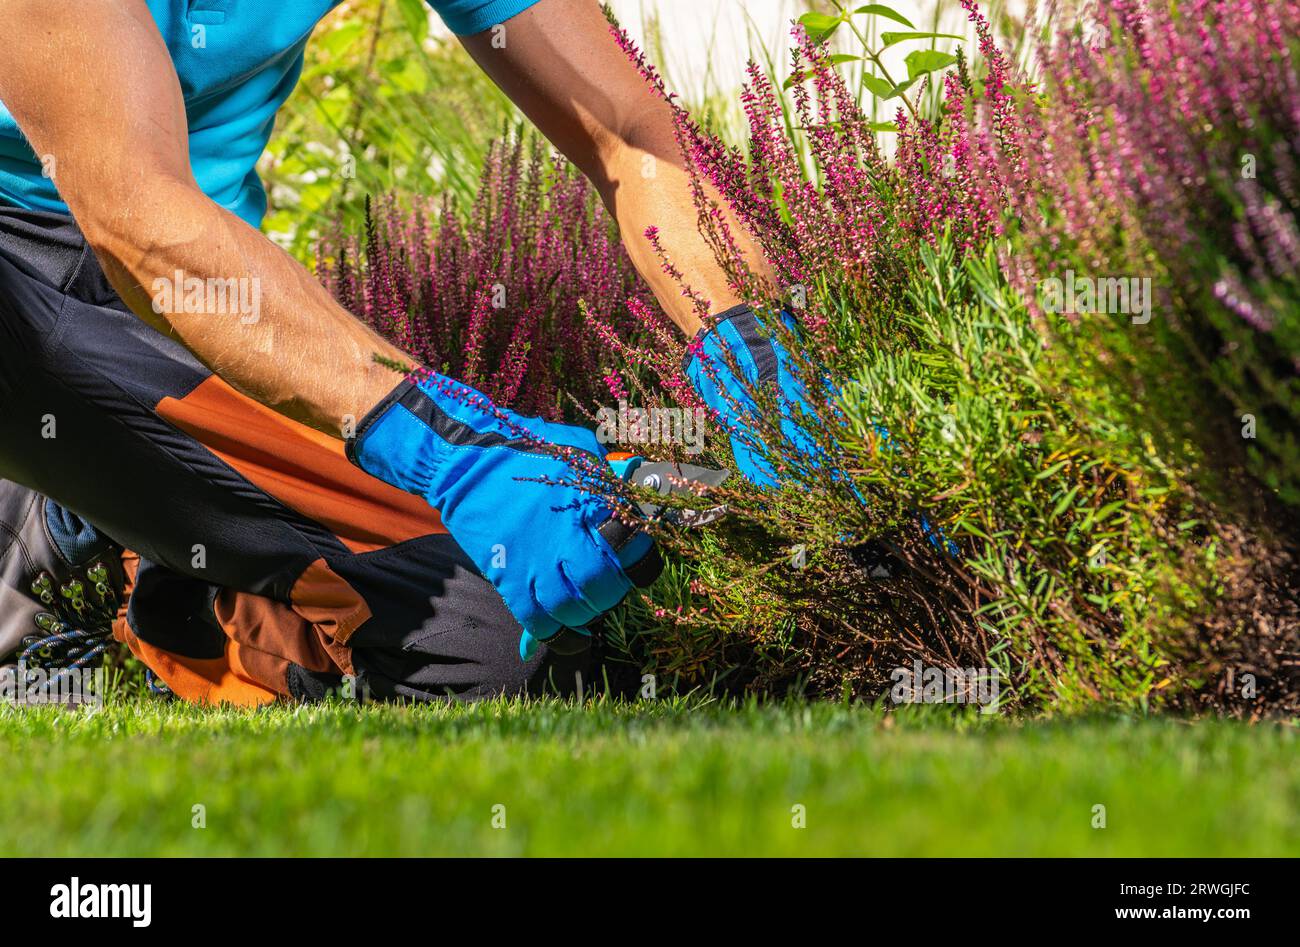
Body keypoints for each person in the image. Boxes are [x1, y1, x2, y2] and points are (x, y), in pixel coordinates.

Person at [0, 0, 803, 704]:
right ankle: (59, 508)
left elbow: (629, 130)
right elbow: (135, 214)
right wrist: (455, 447)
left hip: (211, 289)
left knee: (501, 640)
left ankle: (158, 586)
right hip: (45, 275)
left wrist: (759, 355)